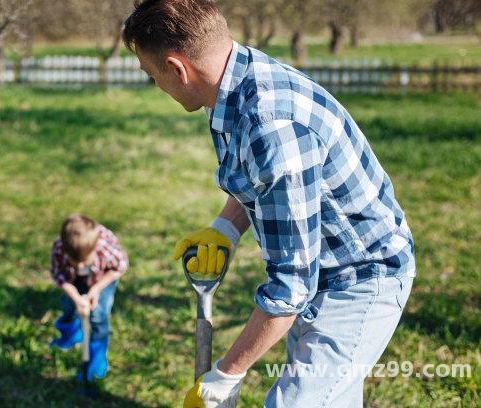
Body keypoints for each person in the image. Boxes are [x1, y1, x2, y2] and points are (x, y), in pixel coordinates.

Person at [122, 1, 416, 407]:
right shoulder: (232, 88)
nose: (157, 86)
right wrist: (225, 228)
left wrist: (225, 376)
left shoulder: (272, 126)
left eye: (153, 76)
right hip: (318, 270)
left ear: (177, 69)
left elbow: (292, 286)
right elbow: (257, 180)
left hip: (360, 277)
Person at [49, 214, 128, 381]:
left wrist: (96, 289)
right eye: (74, 262)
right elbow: (59, 276)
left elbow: (119, 267)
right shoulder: (59, 248)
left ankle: (97, 359)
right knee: (68, 305)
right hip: (73, 280)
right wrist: (76, 298)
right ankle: (71, 334)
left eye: (84, 261)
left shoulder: (104, 247)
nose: (79, 266)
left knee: (99, 315)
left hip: (102, 279)